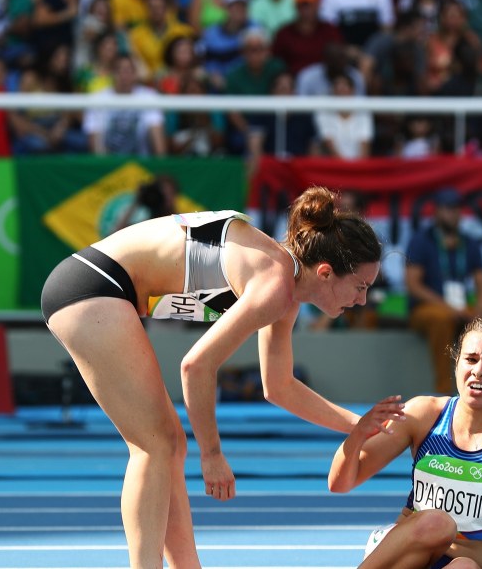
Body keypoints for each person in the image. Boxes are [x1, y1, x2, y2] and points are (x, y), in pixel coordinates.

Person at [40, 186, 383, 569]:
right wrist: (213, 454)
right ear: (325, 272)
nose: (362, 300)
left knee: (168, 445)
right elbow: (196, 366)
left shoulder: (283, 285)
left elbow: (279, 386)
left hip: (95, 287)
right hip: (92, 287)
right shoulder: (274, 284)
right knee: (154, 445)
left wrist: (361, 426)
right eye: (360, 286)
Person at [329, 316, 482, 569]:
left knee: (465, 567)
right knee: (437, 523)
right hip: (405, 555)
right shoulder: (423, 414)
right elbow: (340, 483)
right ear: (456, 364)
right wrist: (358, 435)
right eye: (470, 359)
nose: (478, 370)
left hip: (467, 564)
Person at [405, 189, 482, 395]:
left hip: (461, 309)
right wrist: (449, 308)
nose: (453, 214)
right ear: (436, 212)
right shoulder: (421, 240)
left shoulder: (469, 243)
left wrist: (479, 313)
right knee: (442, 320)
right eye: (448, 209)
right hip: (427, 309)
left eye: (456, 209)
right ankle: (444, 393)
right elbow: (413, 285)